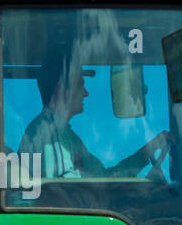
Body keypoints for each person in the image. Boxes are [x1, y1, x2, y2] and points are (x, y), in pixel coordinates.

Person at [20, 52, 168, 179]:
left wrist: (144, 154)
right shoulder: (49, 135)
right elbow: (65, 194)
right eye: (80, 85)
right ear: (62, 91)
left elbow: (103, 180)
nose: (86, 93)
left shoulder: (66, 136)